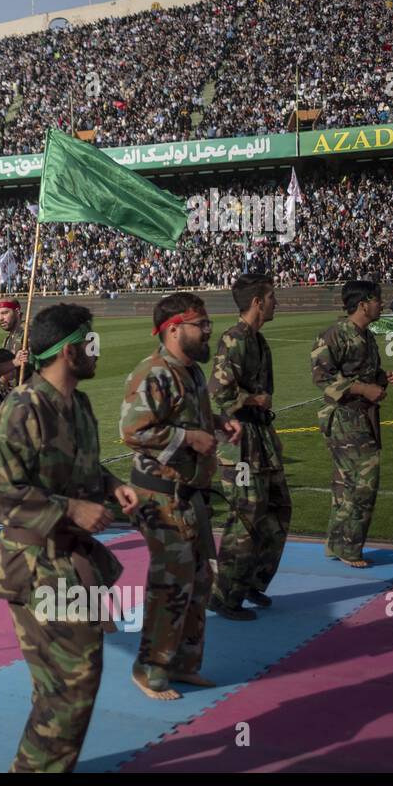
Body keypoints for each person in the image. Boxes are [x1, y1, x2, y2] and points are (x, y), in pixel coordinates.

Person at [0, 303, 139, 772]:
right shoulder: (24, 406)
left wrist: (112, 487)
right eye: (91, 341)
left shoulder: (79, 405)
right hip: (37, 565)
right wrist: (70, 508)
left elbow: (81, 464)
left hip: (70, 564)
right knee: (73, 682)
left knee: (64, 681)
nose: (97, 349)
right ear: (70, 350)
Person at [120, 292, 241, 701]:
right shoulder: (153, 372)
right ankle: (149, 668)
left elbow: (189, 415)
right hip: (159, 496)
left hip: (190, 494)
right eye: (200, 324)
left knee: (201, 579)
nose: (208, 331)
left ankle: (183, 663)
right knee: (172, 582)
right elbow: (133, 431)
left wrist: (219, 422)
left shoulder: (189, 372)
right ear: (174, 329)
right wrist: (190, 437)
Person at [209, 274, 291, 617]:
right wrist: (254, 399)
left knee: (278, 508)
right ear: (257, 301)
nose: (276, 302)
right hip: (239, 443)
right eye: (272, 297)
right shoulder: (235, 339)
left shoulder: (259, 341)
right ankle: (225, 595)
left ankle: (253, 581)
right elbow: (219, 394)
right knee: (245, 517)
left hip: (260, 439)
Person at [310, 280, 393, 568]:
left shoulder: (367, 336)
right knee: (363, 484)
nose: (382, 304)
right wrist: (363, 389)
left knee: (346, 484)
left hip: (362, 417)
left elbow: (368, 373)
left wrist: (385, 378)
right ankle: (349, 549)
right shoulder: (335, 335)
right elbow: (322, 379)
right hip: (345, 418)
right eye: (378, 300)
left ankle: (336, 545)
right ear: (363, 304)